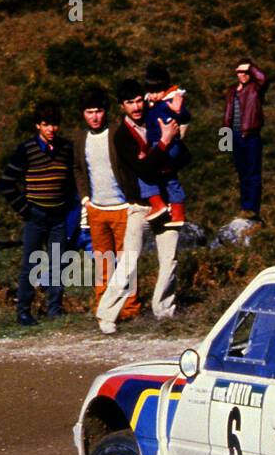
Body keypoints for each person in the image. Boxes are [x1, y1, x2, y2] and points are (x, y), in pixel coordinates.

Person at [73, 85, 151, 334]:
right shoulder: (79, 138)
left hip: (122, 207)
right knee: (103, 262)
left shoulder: (117, 133)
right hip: (96, 208)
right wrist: (85, 198)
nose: (94, 116)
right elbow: (77, 169)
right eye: (89, 112)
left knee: (125, 260)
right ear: (83, 114)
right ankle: (103, 306)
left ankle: (129, 309)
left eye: (98, 111)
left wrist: (133, 201)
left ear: (105, 111)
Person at [0, 100, 76, 325]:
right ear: (37, 126)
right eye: (46, 124)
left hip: (59, 216)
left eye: (54, 124)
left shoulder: (66, 148)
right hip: (36, 215)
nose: (51, 129)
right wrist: (25, 209)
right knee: (30, 264)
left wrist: (69, 206)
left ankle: (55, 308)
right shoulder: (27, 149)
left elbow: (71, 181)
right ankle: (23, 310)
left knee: (58, 262)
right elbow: (6, 183)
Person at [112, 78, 182, 320]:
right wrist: (163, 142)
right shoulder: (121, 136)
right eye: (130, 102)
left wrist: (171, 143)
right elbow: (143, 171)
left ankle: (164, 311)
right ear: (122, 106)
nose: (137, 106)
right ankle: (107, 313)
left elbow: (184, 157)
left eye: (139, 100)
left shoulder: (157, 119)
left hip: (167, 201)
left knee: (169, 259)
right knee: (129, 261)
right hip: (140, 206)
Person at [142, 63, 192, 225]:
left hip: (167, 145)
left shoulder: (171, 100)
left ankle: (157, 204)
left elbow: (185, 116)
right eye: (151, 92)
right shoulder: (152, 103)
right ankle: (178, 213)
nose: (154, 95)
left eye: (157, 91)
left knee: (146, 171)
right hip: (163, 144)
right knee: (170, 178)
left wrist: (178, 111)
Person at [223, 57, 267, 221]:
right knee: (242, 174)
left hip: (250, 136)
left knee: (253, 173)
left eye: (246, 71)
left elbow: (263, 78)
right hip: (234, 136)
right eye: (240, 71)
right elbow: (226, 116)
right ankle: (244, 207)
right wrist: (224, 143)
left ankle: (252, 209)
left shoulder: (255, 89)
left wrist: (251, 66)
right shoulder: (232, 91)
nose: (243, 74)